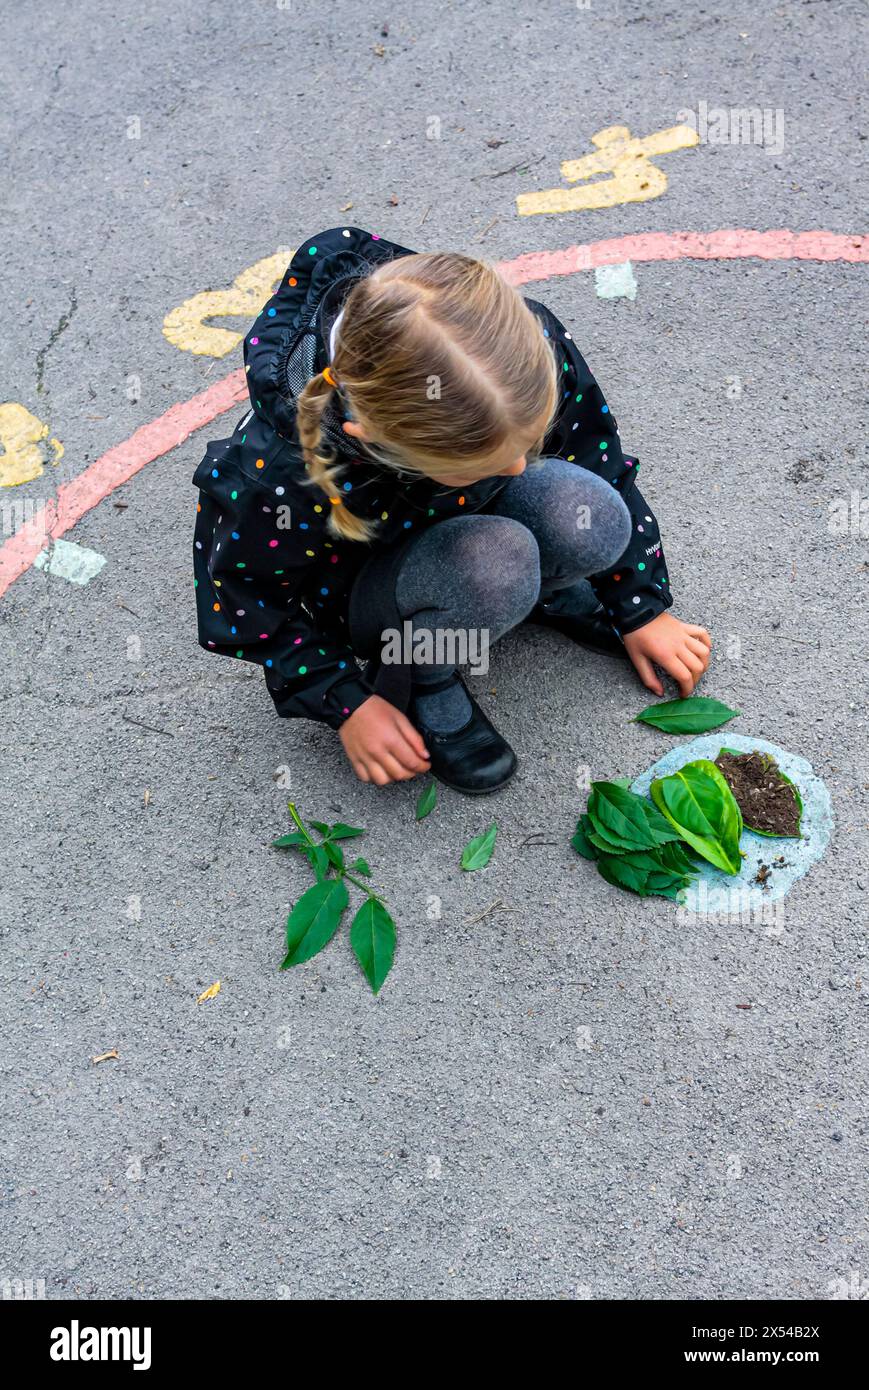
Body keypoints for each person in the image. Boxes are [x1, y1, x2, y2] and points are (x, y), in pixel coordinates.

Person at [193, 226, 710, 793]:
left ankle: (541, 589)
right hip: (368, 585)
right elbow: (246, 603)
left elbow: (595, 454)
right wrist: (349, 702)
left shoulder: (510, 352)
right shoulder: (284, 472)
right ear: (370, 438)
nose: (519, 467)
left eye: (527, 442)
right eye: (484, 460)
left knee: (591, 514)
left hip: (454, 519)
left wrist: (637, 603)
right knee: (497, 562)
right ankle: (423, 672)